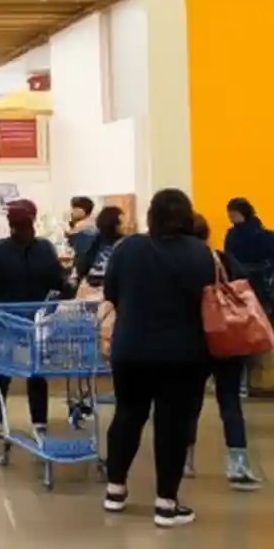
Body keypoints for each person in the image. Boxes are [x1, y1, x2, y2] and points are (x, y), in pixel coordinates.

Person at [102, 188, 215, 528]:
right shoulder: (202, 254)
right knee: (172, 426)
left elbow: (111, 292)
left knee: (127, 416)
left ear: (151, 215)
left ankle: (115, 490)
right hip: (182, 354)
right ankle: (166, 503)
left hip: (131, 350)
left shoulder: (128, 249)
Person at [184, 213, 261, 491]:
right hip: (227, 338)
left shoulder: (178, 262)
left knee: (189, 402)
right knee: (230, 401)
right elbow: (247, 287)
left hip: (194, 341)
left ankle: (185, 460)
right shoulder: (222, 259)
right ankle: (237, 464)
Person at [0, 199, 67, 439]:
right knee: (36, 371)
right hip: (38, 320)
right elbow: (58, 282)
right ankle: (38, 420)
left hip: (7, 318)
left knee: (2, 370)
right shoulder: (45, 249)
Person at [224, 198, 274, 308]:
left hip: (251, 284)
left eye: (233, 213)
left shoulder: (233, 235)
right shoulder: (265, 234)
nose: (230, 216)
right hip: (253, 284)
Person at [75, 206, 127, 286]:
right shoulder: (125, 243)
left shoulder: (93, 240)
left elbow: (82, 267)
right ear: (115, 224)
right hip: (113, 285)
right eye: (122, 222)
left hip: (92, 284)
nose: (126, 225)